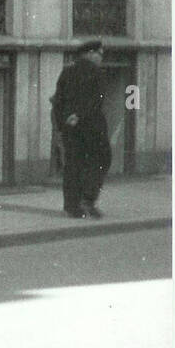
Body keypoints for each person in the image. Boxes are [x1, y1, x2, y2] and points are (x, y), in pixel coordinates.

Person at [50, 39, 111, 218]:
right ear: (91, 53)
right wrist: (80, 116)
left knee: (73, 165)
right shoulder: (97, 73)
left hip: (70, 128)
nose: (101, 58)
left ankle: (71, 206)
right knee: (101, 160)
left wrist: (64, 121)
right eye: (100, 54)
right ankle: (88, 199)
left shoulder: (67, 71)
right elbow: (97, 100)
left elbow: (57, 100)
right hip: (92, 127)